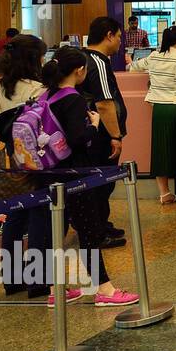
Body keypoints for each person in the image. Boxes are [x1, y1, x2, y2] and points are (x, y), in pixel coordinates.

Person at [41, 49, 138, 307]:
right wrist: (94, 126)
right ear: (79, 71)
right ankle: (105, 290)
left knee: (55, 230)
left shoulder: (47, 95)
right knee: (89, 230)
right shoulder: (72, 98)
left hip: (51, 172)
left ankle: (55, 289)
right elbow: (78, 139)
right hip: (76, 173)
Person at [0, 34, 48, 298]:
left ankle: (13, 279)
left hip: (10, 158)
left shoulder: (0, 87)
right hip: (36, 159)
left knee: (15, 214)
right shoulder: (37, 89)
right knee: (40, 214)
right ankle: (39, 280)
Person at [128, 25, 176, 204]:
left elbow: (133, 67)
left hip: (159, 109)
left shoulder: (154, 56)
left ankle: (165, 194)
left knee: (161, 150)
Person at [79, 17, 127, 246]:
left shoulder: (82, 58)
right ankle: (96, 232)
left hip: (89, 133)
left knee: (95, 182)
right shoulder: (97, 62)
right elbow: (104, 103)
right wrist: (116, 136)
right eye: (118, 36)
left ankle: (100, 224)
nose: (120, 41)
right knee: (101, 182)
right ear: (108, 35)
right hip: (101, 135)